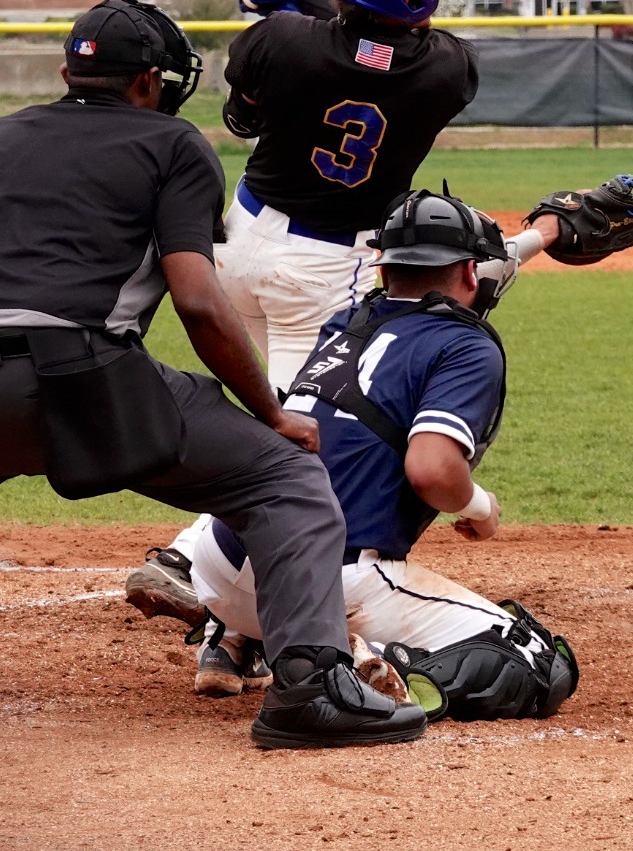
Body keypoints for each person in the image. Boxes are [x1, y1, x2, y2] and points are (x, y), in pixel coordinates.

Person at [0, 0, 425, 751]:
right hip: (77, 383)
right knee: (285, 480)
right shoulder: (173, 144)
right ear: (148, 82)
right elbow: (199, 301)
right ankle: (310, 686)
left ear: (69, 70)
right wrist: (271, 412)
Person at [123, 0, 480, 623]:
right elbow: (385, 46)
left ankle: (229, 618)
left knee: (280, 415)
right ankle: (190, 559)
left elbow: (247, 116)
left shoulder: (277, 42)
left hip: (237, 251)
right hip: (327, 271)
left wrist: (290, 6)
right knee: (303, 437)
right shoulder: (450, 72)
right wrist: (311, 5)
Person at [174, 190, 579, 723]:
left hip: (219, 560)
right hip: (327, 583)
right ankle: (372, 661)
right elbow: (432, 470)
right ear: (467, 273)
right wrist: (479, 507)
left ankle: (236, 635)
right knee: (537, 661)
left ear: (384, 272)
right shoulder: (465, 345)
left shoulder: (345, 323)